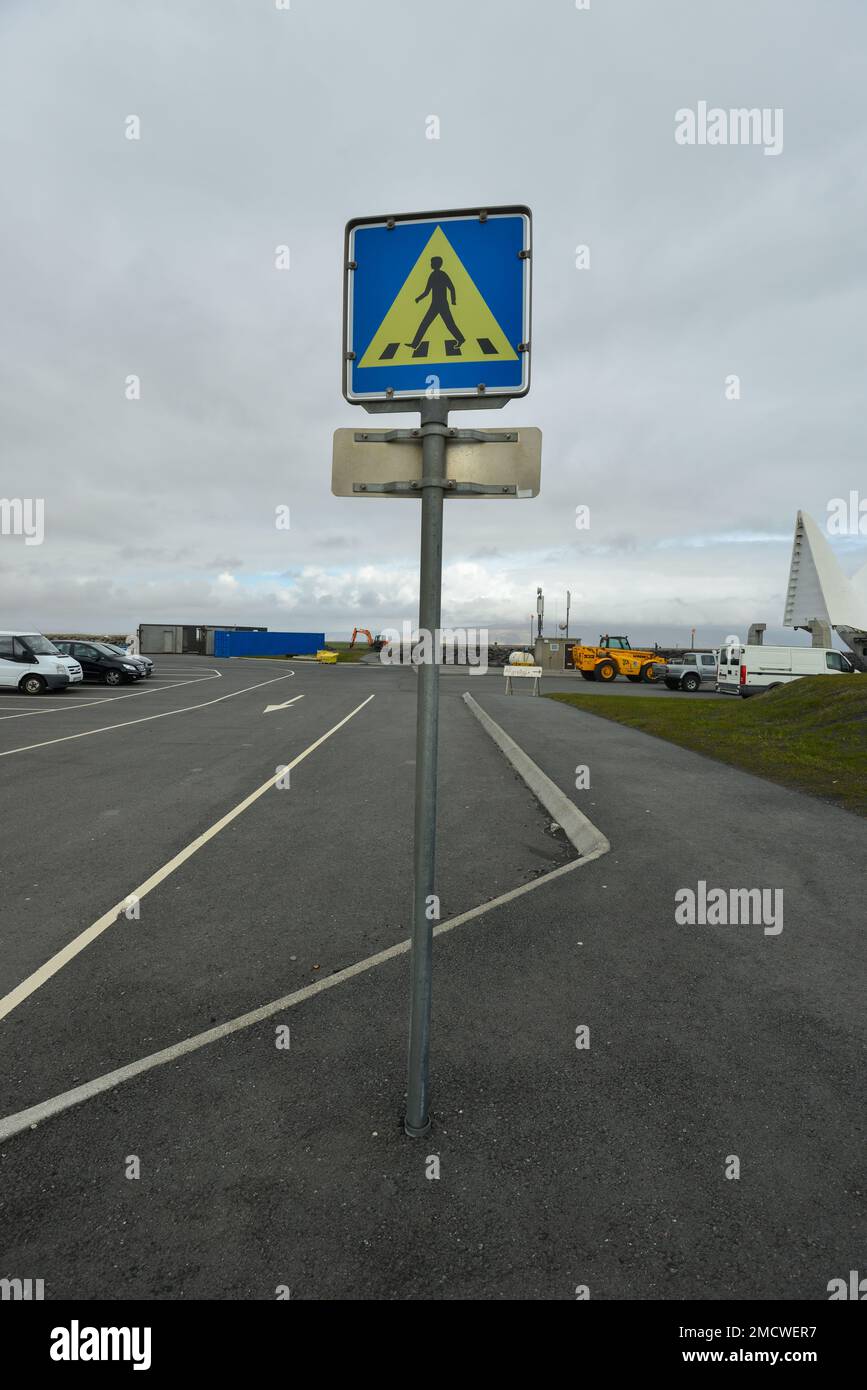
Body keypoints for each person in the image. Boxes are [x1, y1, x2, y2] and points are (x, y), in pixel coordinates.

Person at [407, 256, 464, 349]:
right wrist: (419, 298)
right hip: (435, 305)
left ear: (436, 264)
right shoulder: (432, 275)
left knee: (449, 324)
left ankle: (460, 339)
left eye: (432, 263)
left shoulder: (442, 275)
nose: (431, 264)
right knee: (425, 323)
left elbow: (451, 287)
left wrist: (453, 300)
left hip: (442, 305)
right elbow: (427, 291)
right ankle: (414, 344)